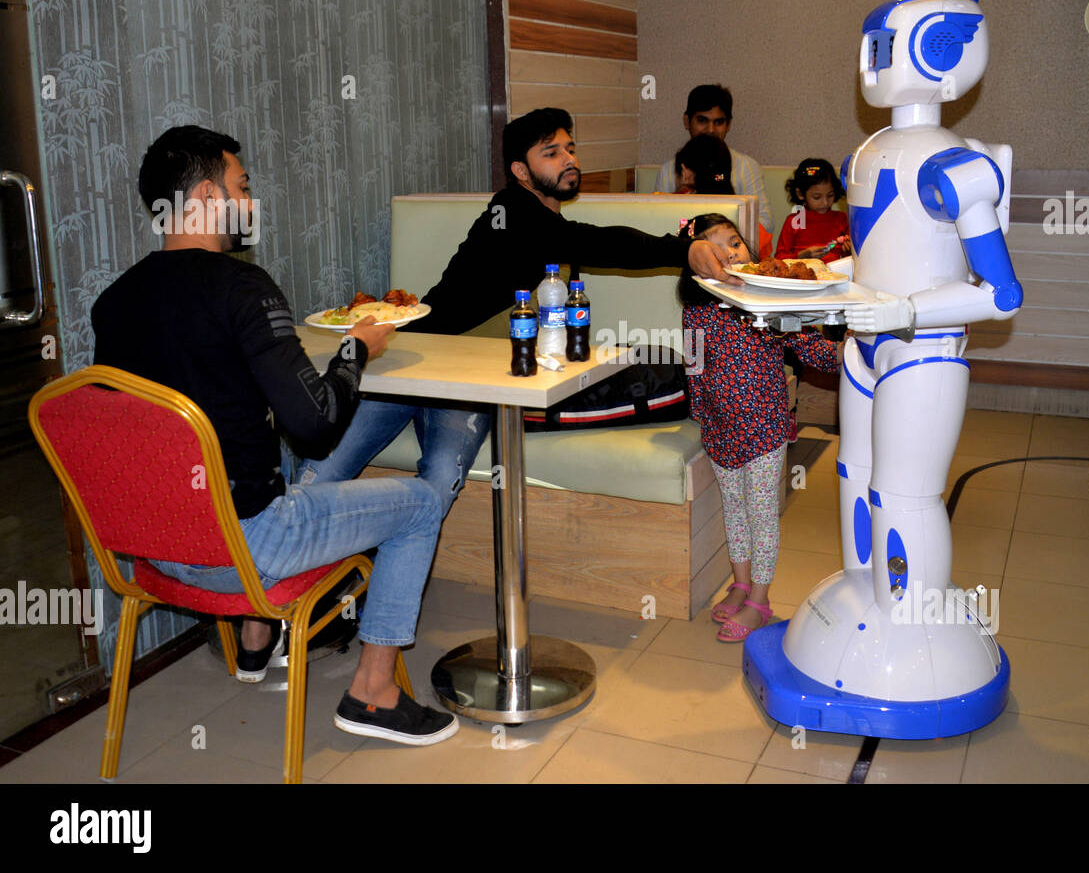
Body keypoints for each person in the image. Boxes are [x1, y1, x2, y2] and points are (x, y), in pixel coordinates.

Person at [91, 125, 457, 745]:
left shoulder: (113, 302)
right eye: (243, 186)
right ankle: (372, 694)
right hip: (243, 551)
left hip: (150, 549)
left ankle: (255, 642)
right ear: (208, 195)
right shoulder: (242, 288)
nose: (251, 202)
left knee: (254, 462)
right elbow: (315, 429)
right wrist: (355, 349)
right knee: (421, 501)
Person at [295, 108, 736, 529]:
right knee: (328, 468)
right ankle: (281, 556)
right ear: (521, 171)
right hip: (415, 358)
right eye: (551, 152)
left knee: (440, 481)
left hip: (469, 385)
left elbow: (573, 248)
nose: (569, 160)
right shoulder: (509, 214)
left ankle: (367, 544)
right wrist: (683, 248)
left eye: (570, 148)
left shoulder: (543, 226)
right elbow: (596, 242)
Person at [677, 213, 839, 642]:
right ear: (694, 262)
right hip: (721, 430)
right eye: (716, 247)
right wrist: (703, 417)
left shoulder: (766, 304)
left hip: (765, 429)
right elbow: (694, 368)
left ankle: (761, 601)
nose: (730, 252)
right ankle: (742, 584)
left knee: (762, 514)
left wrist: (847, 355)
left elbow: (807, 344)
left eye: (735, 242)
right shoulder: (696, 311)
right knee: (735, 511)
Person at [653, 84, 774, 231]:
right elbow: (658, 222)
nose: (710, 130)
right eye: (702, 120)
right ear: (687, 121)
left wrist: (720, 235)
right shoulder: (669, 170)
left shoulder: (746, 167)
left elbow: (765, 224)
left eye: (719, 122)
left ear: (728, 124)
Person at [774, 158, 850, 262]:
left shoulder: (842, 219)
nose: (825, 203)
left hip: (835, 275)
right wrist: (801, 256)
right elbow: (779, 258)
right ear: (800, 194)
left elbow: (853, 258)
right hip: (802, 276)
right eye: (817, 197)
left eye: (830, 195)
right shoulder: (795, 221)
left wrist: (849, 249)